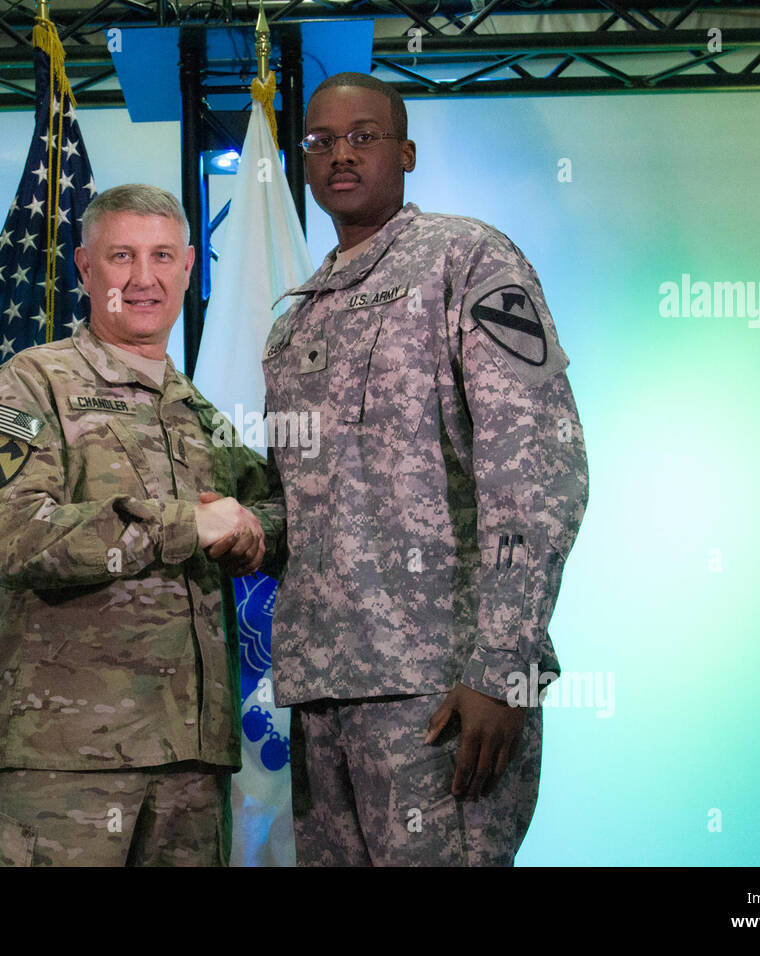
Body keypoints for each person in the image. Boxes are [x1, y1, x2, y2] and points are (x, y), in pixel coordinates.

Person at [261, 72, 590, 866]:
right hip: (325, 697)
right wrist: (234, 526)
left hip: (442, 691)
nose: (341, 154)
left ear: (405, 151)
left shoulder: (467, 258)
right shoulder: (293, 319)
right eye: (320, 141)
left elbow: (540, 466)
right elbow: (299, 507)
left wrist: (504, 667)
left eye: (363, 136)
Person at [0, 183, 283, 866]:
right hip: (65, 766)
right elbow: (11, 536)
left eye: (162, 256)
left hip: (190, 766)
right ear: (85, 267)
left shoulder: (195, 414)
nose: (143, 278)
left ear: (189, 267)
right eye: (122, 256)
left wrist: (255, 529)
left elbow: (274, 509)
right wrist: (181, 525)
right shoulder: (28, 386)